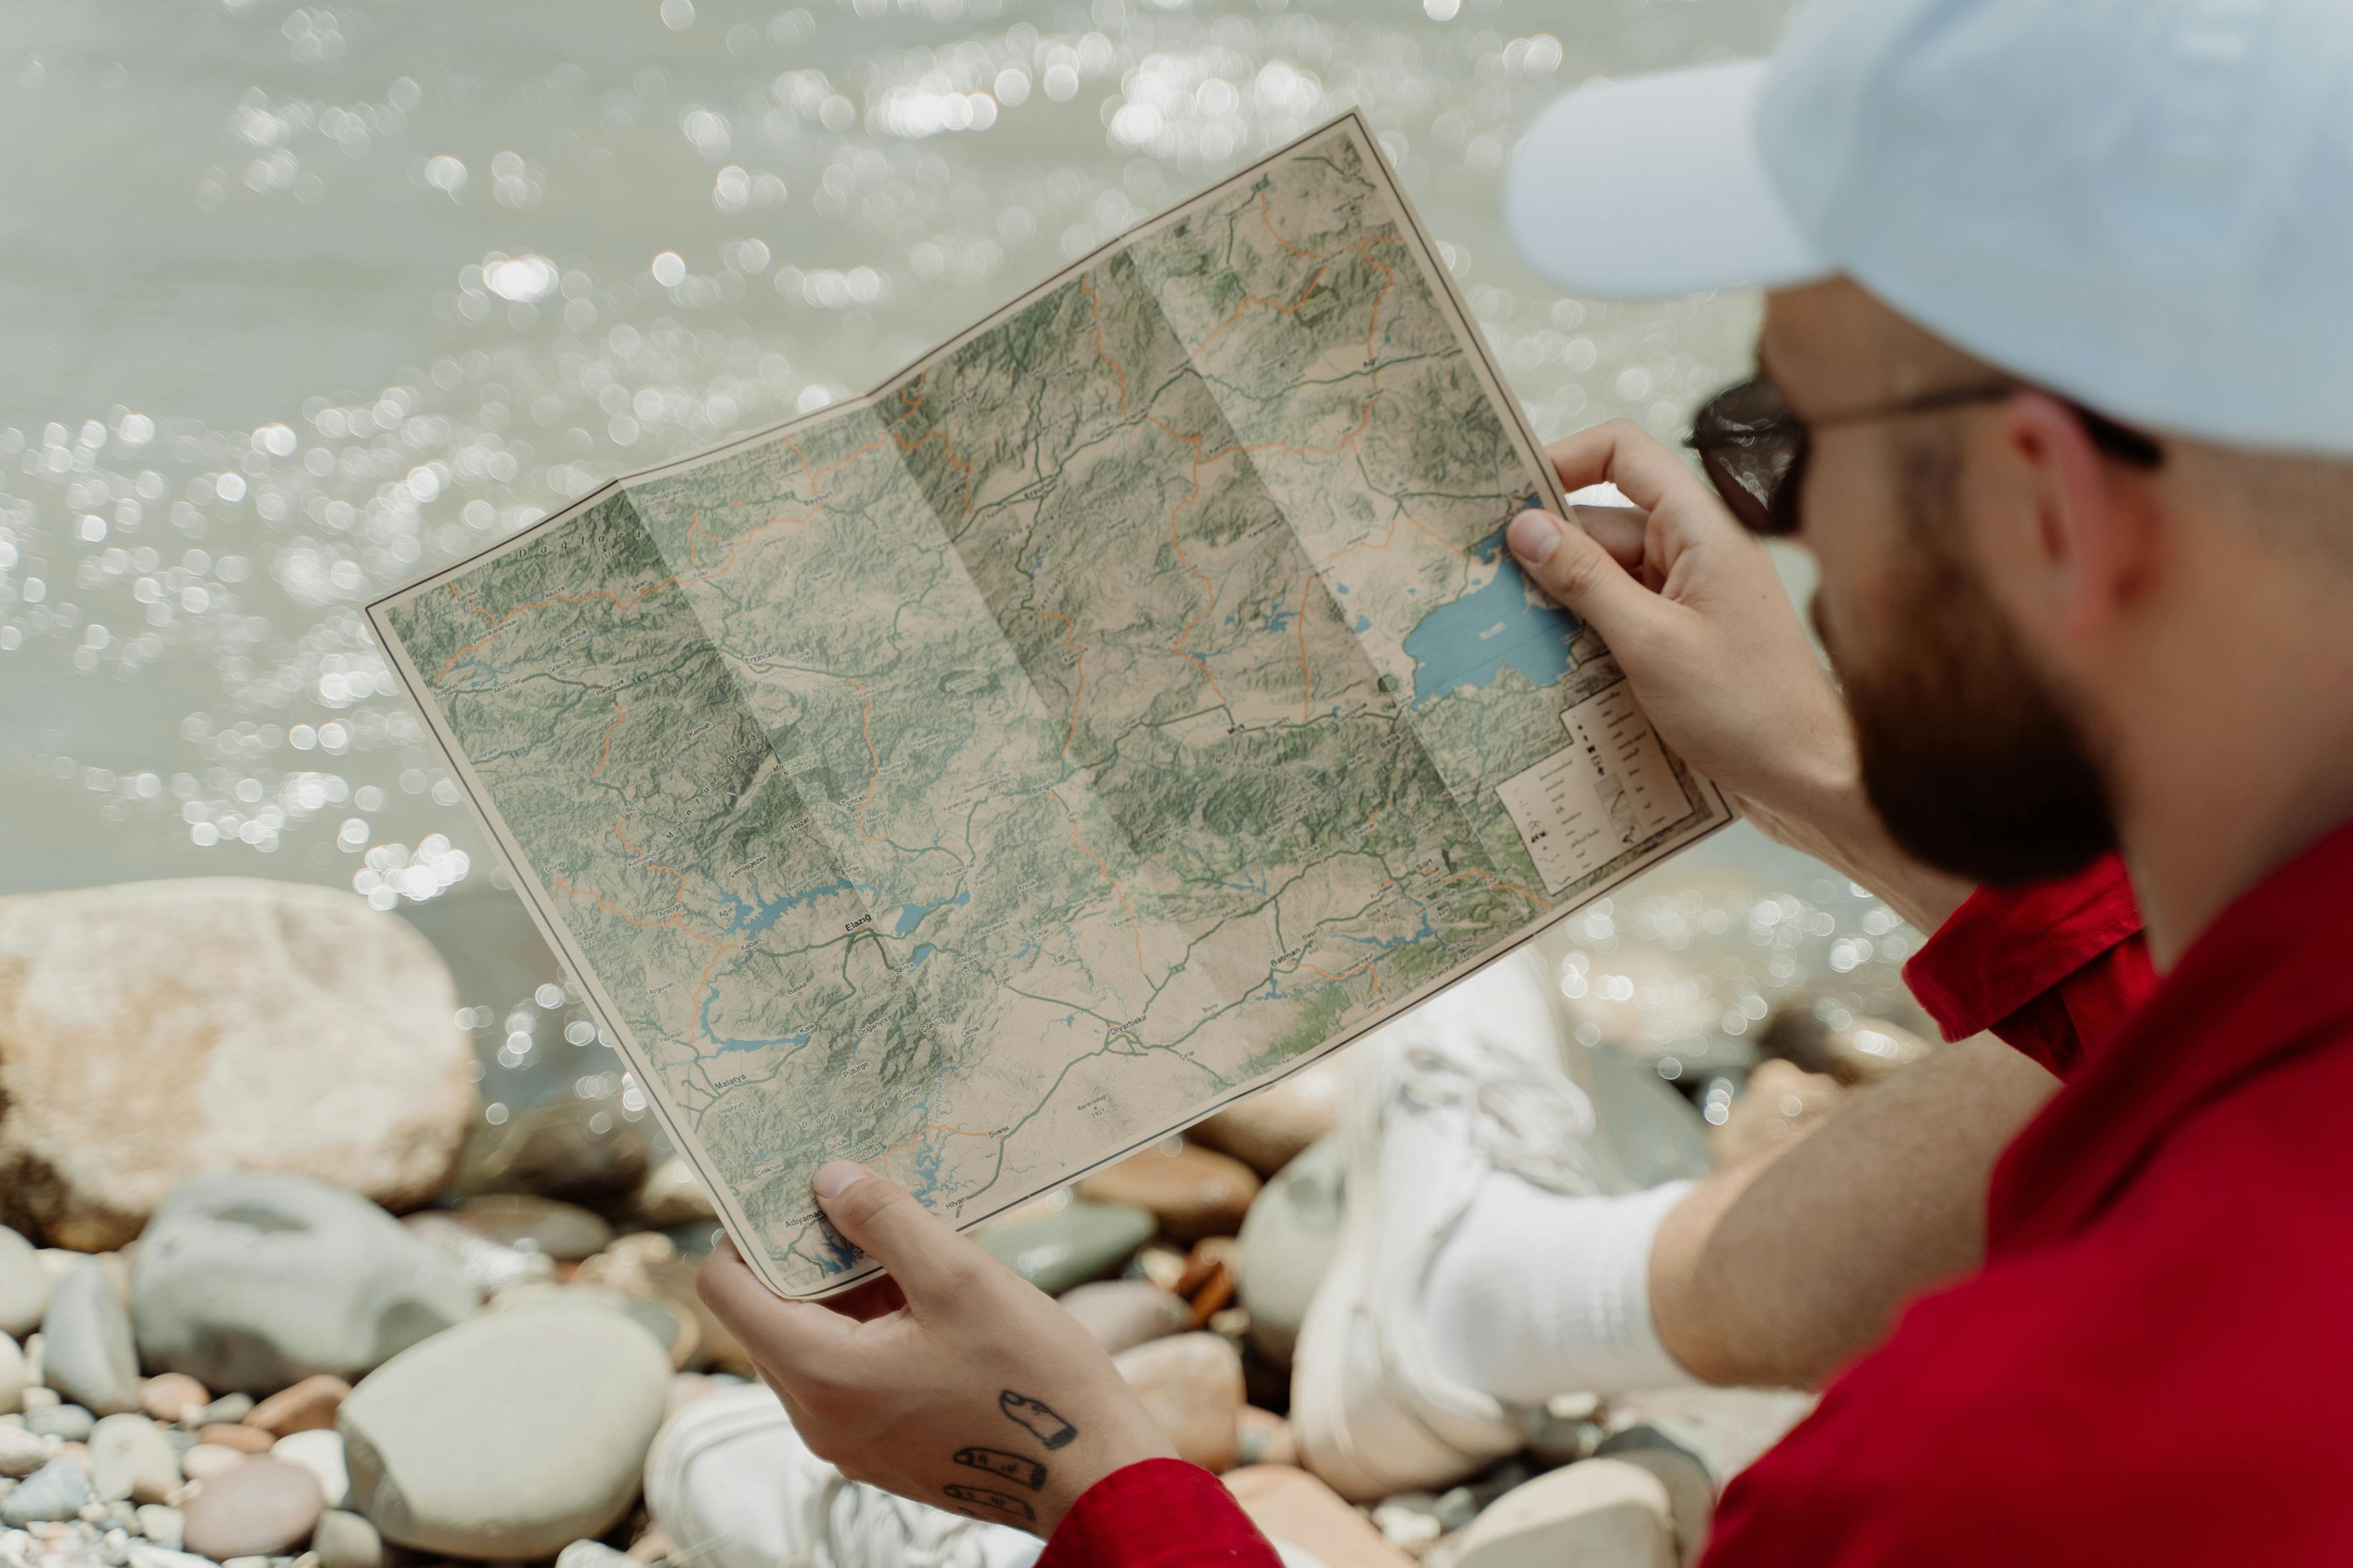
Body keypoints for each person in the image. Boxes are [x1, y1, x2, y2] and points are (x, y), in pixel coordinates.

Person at [695, 0, 2353, 1559]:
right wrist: (1822, 781)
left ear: (2049, 507)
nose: (1773, 529)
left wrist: (1085, 1479)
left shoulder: (1984, 1472)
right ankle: (1496, 1294)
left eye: (1779, 436)